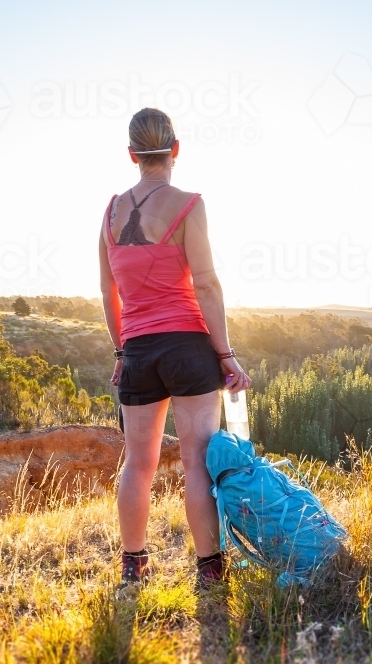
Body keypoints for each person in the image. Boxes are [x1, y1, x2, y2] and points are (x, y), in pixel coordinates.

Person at [99, 107, 251, 587]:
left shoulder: (109, 213)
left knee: (137, 464)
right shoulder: (189, 205)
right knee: (197, 464)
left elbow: (108, 293)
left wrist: (122, 352)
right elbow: (205, 283)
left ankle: (133, 565)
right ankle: (209, 570)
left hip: (138, 352)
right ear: (175, 149)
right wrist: (225, 354)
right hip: (188, 348)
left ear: (131, 155)